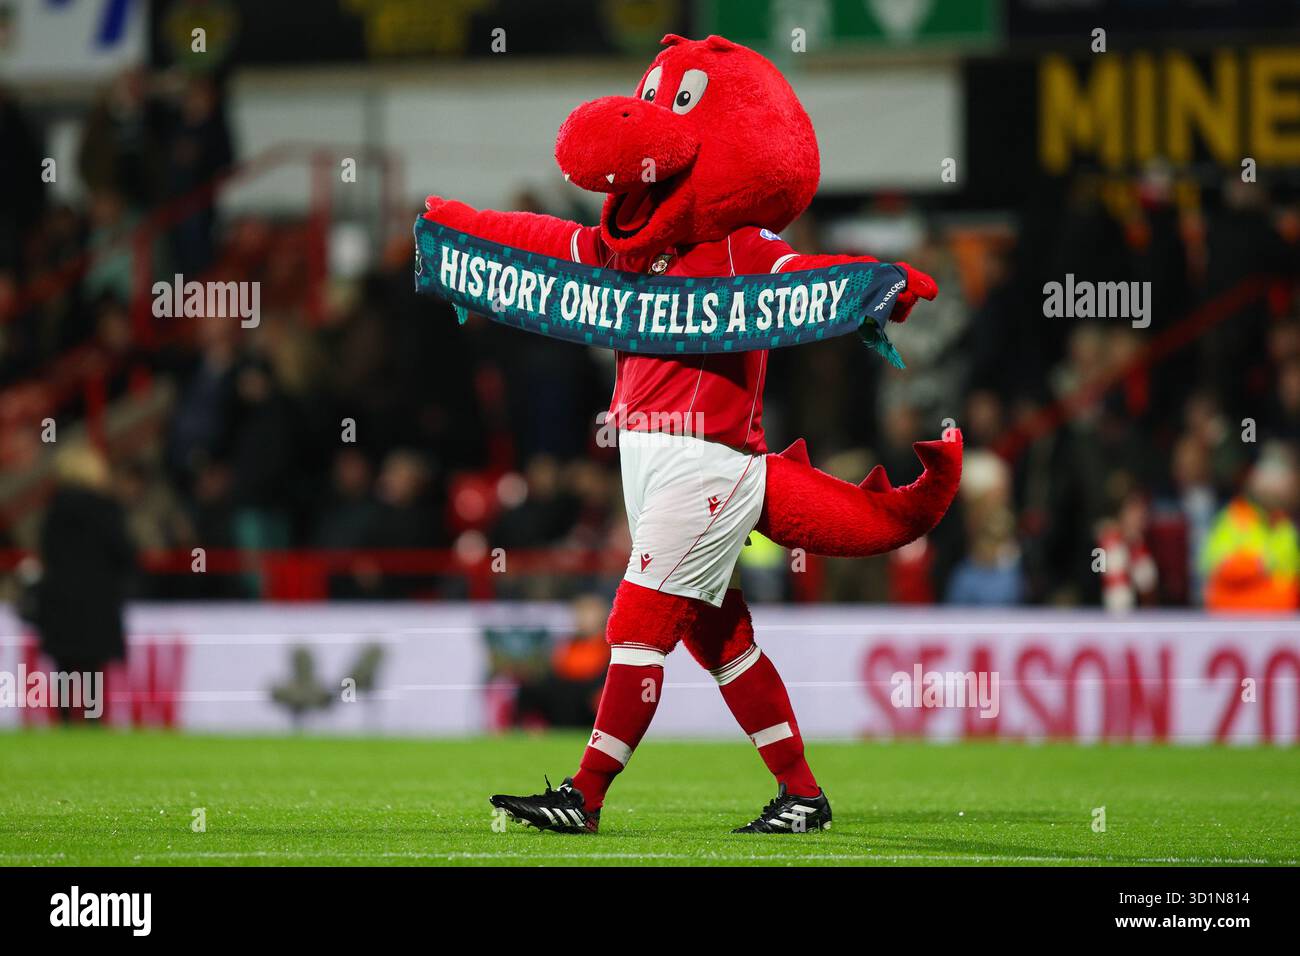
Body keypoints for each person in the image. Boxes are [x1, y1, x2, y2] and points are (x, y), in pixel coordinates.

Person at [425, 35, 960, 834]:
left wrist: (872, 284)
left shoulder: (741, 247)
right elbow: (541, 244)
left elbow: (800, 277)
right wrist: (459, 228)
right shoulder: (624, 253)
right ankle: (804, 798)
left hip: (707, 465)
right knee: (722, 641)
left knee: (636, 623)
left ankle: (586, 795)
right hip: (654, 466)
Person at [35, 444, 137, 722]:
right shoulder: (105, 509)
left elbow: (46, 553)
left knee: (65, 668)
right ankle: (93, 720)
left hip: (60, 601)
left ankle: (67, 720)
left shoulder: (54, 511)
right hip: (97, 602)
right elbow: (125, 553)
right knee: (92, 668)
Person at [1201, 444, 1299, 612]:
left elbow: (1292, 575)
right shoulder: (1234, 518)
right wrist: (1257, 567)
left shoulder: (1286, 527)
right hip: (1233, 611)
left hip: (1280, 614)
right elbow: (1215, 565)